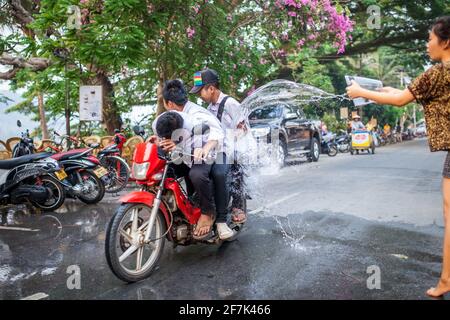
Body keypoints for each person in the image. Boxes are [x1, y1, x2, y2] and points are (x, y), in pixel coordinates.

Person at [346, 16, 450, 298]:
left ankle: (445, 280)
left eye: (430, 38)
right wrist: (384, 91)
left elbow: (402, 100)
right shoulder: (442, 73)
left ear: (445, 41)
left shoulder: (439, 72)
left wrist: (359, 92)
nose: (427, 43)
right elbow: (406, 94)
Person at [152, 80, 234, 240]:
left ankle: (215, 217)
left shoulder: (196, 117)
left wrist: (204, 149)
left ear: (168, 103)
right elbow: (161, 137)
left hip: (216, 150)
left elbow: (216, 135)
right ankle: (184, 206)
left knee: (206, 174)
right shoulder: (162, 120)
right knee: (166, 170)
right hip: (187, 152)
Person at [190, 69, 249, 224]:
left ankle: (237, 205)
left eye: (200, 91)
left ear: (211, 88)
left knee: (224, 172)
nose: (199, 96)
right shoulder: (209, 109)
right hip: (218, 149)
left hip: (234, 149)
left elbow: (243, 129)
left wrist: (226, 140)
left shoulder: (230, 104)